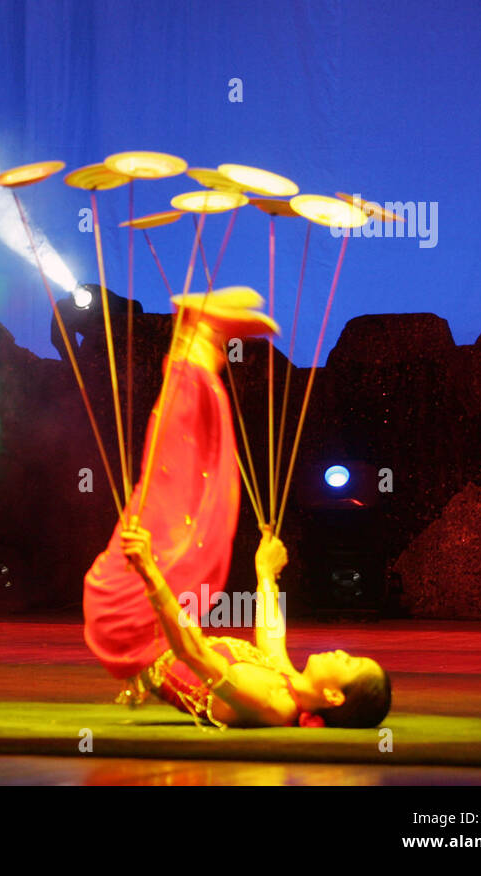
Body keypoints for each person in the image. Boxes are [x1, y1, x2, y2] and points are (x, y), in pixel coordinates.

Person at [83, 287, 390, 728]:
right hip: (152, 621)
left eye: (350, 661)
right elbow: (271, 636)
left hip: (134, 623)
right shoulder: (285, 683)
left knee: (176, 484)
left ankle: (195, 340)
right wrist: (266, 573)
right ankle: (199, 344)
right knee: (201, 483)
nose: (343, 651)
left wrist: (149, 570)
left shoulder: (270, 703)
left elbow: (192, 652)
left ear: (334, 695)